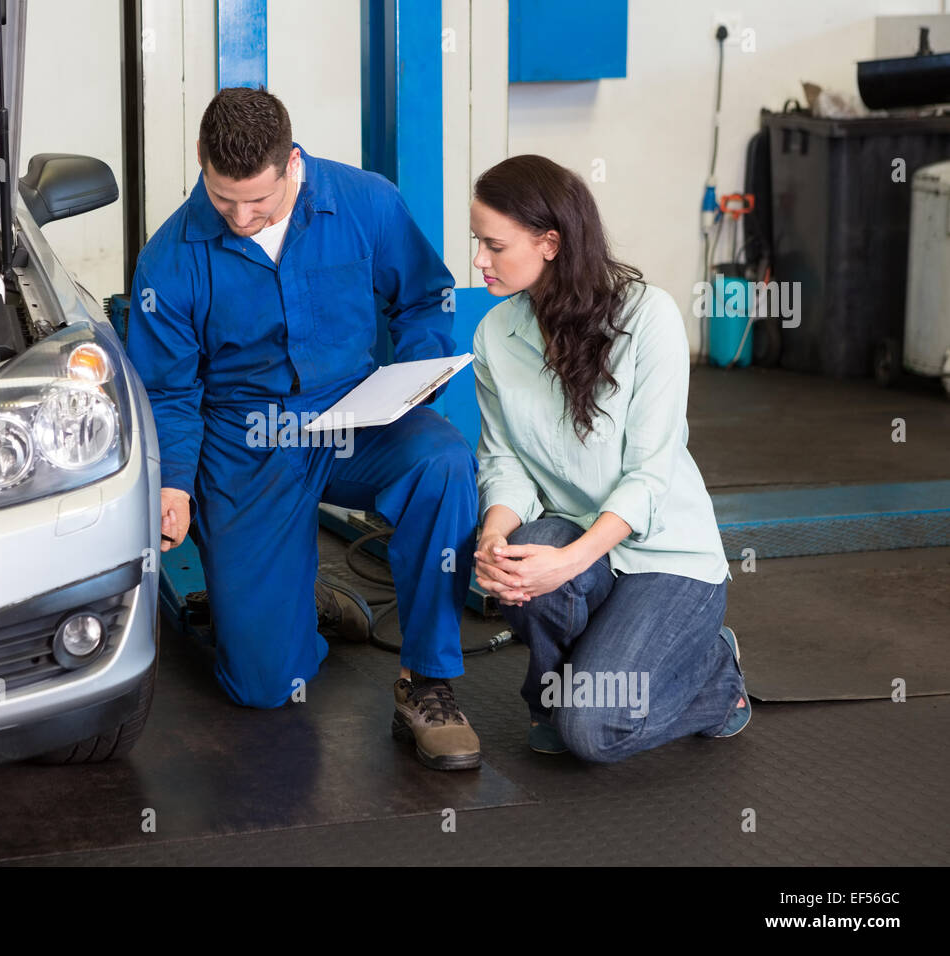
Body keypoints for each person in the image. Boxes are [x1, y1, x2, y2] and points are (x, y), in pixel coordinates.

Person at [126, 87, 482, 770]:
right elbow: (170, 390)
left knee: (441, 461)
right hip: (246, 436)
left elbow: (423, 296)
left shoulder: (365, 201)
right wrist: (172, 485)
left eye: (258, 200)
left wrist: (411, 382)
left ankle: (428, 680)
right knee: (263, 687)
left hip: (358, 412)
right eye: (225, 199)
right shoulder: (169, 259)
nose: (241, 216)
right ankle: (288, 595)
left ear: (292, 163)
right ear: (201, 159)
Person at [469, 154, 749, 762]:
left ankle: (716, 680)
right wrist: (495, 537)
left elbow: (650, 475)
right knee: (526, 555)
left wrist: (565, 562)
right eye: (477, 242)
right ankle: (557, 695)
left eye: (493, 245)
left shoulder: (649, 317)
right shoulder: (494, 334)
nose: (479, 260)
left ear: (550, 243)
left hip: (666, 558)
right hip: (577, 542)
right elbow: (504, 460)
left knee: (592, 735)